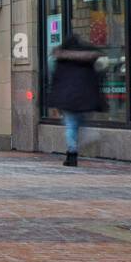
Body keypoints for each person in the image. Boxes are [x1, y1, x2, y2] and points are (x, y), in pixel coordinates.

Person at [49, 34, 105, 167]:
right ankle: (87, 135)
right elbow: (98, 73)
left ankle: (72, 154)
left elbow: (55, 79)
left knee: (71, 125)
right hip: (86, 98)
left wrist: (54, 99)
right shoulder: (87, 59)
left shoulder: (60, 60)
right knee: (80, 122)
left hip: (67, 98)